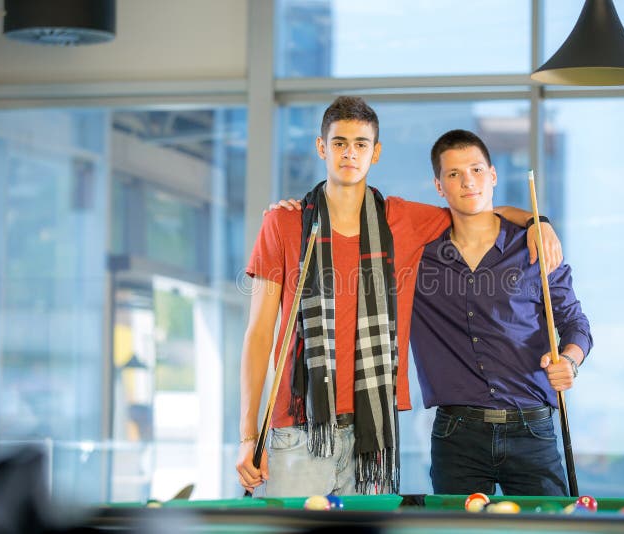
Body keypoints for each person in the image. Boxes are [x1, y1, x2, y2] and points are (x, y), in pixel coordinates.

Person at [236, 97, 563, 497]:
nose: (349, 153)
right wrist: (247, 436)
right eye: (339, 143)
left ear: (375, 152)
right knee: (299, 528)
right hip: (300, 429)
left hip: (373, 435)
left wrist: (537, 221)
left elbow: (474, 209)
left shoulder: (402, 219)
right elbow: (258, 335)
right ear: (322, 148)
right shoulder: (283, 223)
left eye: (360, 144)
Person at [410, 129, 593, 496]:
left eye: (476, 170)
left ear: (493, 175)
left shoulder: (534, 248)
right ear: (439, 186)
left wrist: (570, 361)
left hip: (532, 428)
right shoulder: (418, 256)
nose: (468, 182)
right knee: (456, 526)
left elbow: (575, 323)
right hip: (456, 434)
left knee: (550, 524)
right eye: (454, 174)